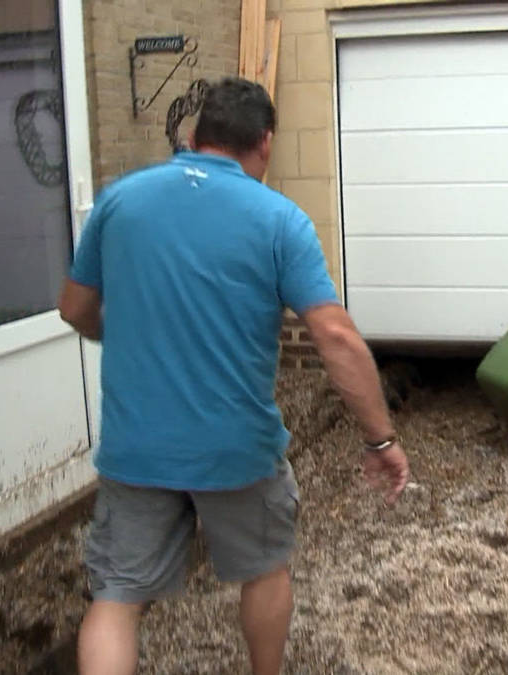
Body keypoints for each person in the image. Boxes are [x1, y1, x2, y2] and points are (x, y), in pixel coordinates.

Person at [58, 77, 410, 675]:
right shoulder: (279, 219)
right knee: (265, 568)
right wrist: (381, 439)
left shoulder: (120, 201)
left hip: (136, 445)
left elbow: (74, 309)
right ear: (265, 144)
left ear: (193, 138)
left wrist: (114, 333)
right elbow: (335, 335)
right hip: (237, 450)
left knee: (117, 595)